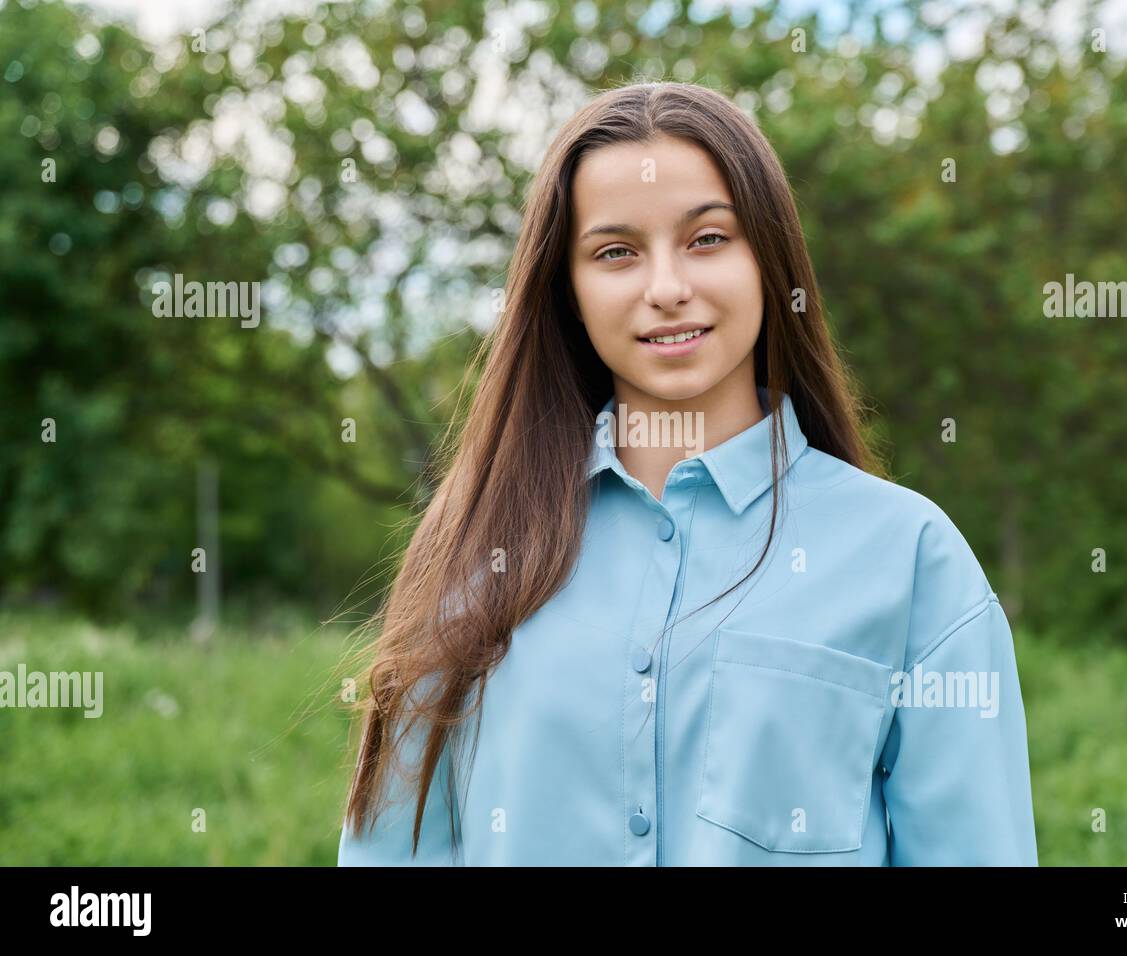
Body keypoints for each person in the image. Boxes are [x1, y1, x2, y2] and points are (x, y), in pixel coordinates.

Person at [337, 81, 1037, 866]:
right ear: (566, 290)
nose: (667, 289)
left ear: (770, 260)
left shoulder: (911, 558)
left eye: (708, 239)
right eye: (616, 252)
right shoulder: (474, 539)